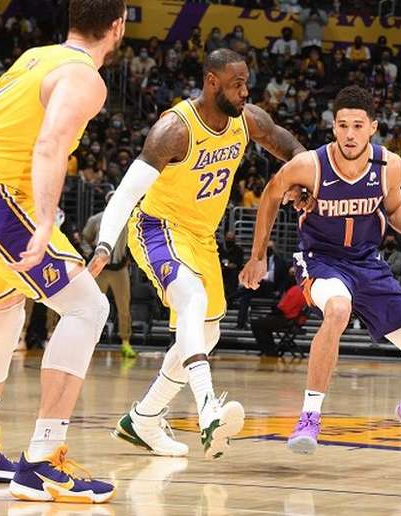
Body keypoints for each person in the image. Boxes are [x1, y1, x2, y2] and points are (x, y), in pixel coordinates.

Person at [0, 0, 126, 503]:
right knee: (87, 306)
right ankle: (42, 462)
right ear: (118, 26)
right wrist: (43, 220)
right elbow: (50, 143)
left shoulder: (37, 56)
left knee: (2, 315)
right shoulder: (85, 77)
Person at [91, 49, 306, 458]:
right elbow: (126, 193)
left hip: (201, 237)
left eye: (246, 84)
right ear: (211, 82)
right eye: (236, 85)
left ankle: (143, 419)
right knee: (190, 298)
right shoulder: (175, 129)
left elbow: (292, 149)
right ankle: (208, 408)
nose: (245, 92)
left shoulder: (248, 120)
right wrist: (104, 243)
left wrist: (304, 179)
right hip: (156, 228)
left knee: (209, 332)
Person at [240, 85, 401, 460]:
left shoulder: (390, 165)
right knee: (338, 309)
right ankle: (309, 416)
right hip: (321, 259)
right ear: (334, 127)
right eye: (343, 125)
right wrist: (258, 255)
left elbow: (394, 208)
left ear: (373, 127)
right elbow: (272, 194)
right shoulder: (310, 165)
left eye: (358, 125)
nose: (350, 134)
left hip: (368, 263)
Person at [81, 190, 135, 358]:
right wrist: (91, 255)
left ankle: (125, 342)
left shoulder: (128, 220)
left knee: (124, 307)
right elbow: (84, 239)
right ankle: (87, 342)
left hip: (120, 269)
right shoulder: (96, 219)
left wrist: (129, 257)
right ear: (107, 202)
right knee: (93, 306)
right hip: (101, 270)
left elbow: (134, 241)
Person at [250, 274, 307, 356]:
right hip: (292, 320)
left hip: (287, 319)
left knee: (256, 323)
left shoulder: (296, 290)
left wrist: (272, 313)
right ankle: (270, 349)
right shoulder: (302, 291)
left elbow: (284, 308)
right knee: (264, 324)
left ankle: (269, 350)